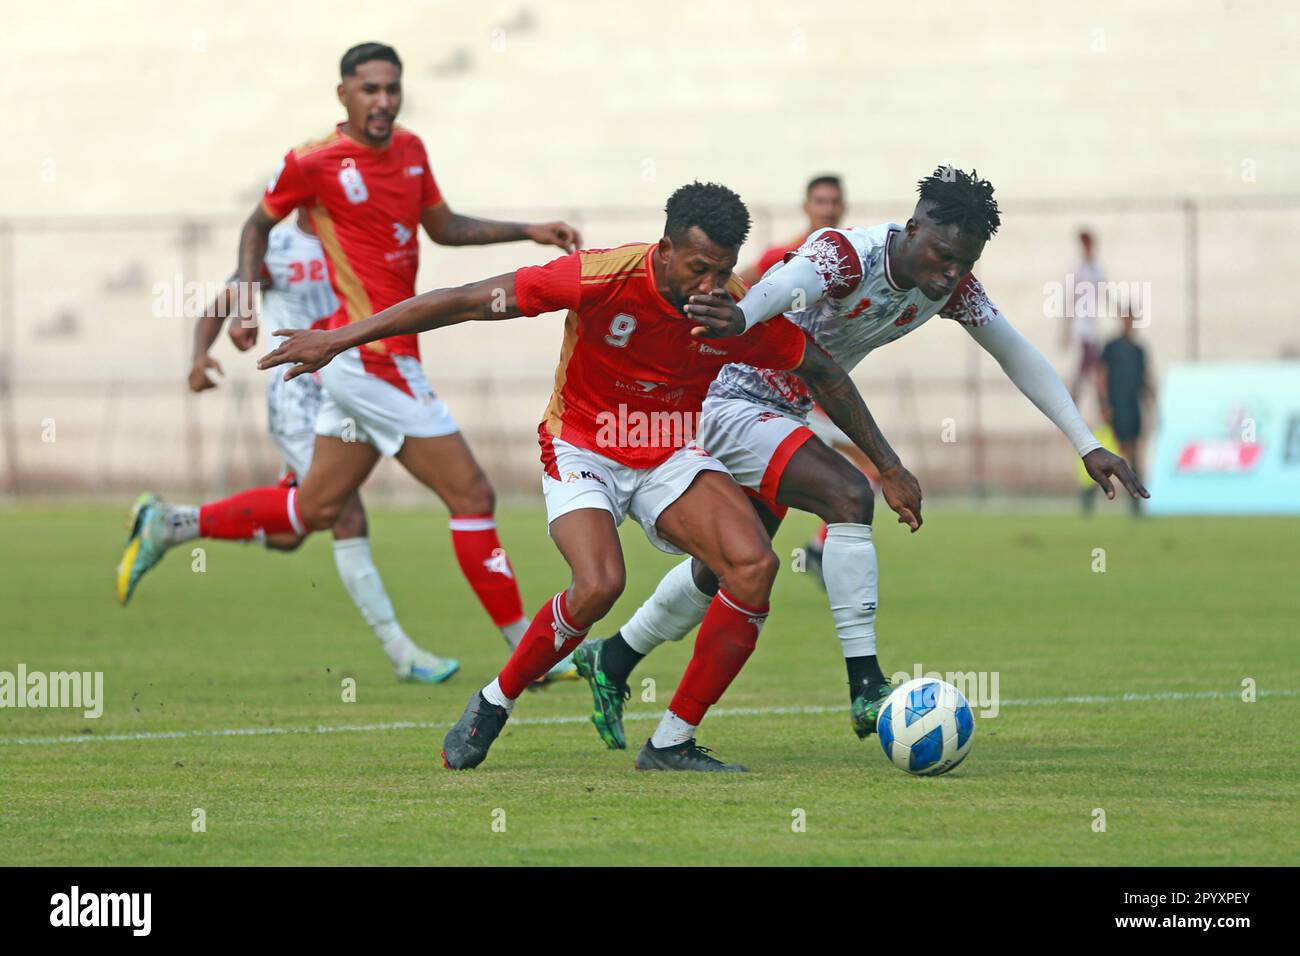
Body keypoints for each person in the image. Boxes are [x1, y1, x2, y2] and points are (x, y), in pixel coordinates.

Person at [260, 181, 923, 772]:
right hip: (583, 448)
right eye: (698, 268)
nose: (709, 285)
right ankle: (495, 701)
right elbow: (463, 300)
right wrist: (340, 338)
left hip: (668, 453)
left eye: (721, 271)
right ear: (664, 249)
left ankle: (671, 741)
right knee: (601, 583)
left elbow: (822, 368)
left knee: (752, 566)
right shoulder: (597, 278)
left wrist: (888, 468)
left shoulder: (730, 312)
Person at [571, 168, 1148, 752]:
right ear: (914, 226)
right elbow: (786, 281)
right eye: (944, 255)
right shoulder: (849, 255)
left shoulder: (952, 287)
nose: (950, 272)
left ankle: (614, 658)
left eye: (964, 263)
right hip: (729, 397)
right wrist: (743, 317)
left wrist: (1087, 442)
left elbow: (1017, 354)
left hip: (783, 412)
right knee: (848, 496)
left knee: (729, 567)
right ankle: (866, 684)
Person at [115, 42, 582, 683]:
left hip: (368, 358)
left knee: (312, 512)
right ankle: (528, 655)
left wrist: (527, 229)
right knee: (472, 492)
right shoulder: (313, 162)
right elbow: (255, 229)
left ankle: (169, 526)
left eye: (392, 88)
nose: (384, 101)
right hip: (370, 358)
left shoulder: (413, 151)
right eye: (370, 89)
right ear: (344, 94)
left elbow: (442, 227)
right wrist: (246, 305)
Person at [739, 174, 846, 285]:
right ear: (806, 206)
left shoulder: (857, 255)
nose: (829, 209)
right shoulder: (782, 256)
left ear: (843, 207)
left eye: (835, 202)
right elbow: (739, 285)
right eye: (820, 202)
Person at [1097, 309, 1154, 515]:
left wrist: (1152, 403)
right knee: (1112, 453)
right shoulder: (1112, 347)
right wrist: (1103, 404)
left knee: (1134, 453)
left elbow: (1146, 379)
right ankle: (1091, 496)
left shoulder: (1139, 350)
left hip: (1133, 406)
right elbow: (1101, 376)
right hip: (1116, 407)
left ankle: (1136, 502)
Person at [1064, 229, 1105, 406]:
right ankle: (1081, 400)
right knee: (1090, 366)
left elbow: (1104, 291)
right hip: (1083, 326)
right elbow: (1073, 298)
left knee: (1090, 366)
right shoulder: (1081, 269)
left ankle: (1076, 399)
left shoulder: (1095, 268)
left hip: (1090, 325)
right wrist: (1068, 327)